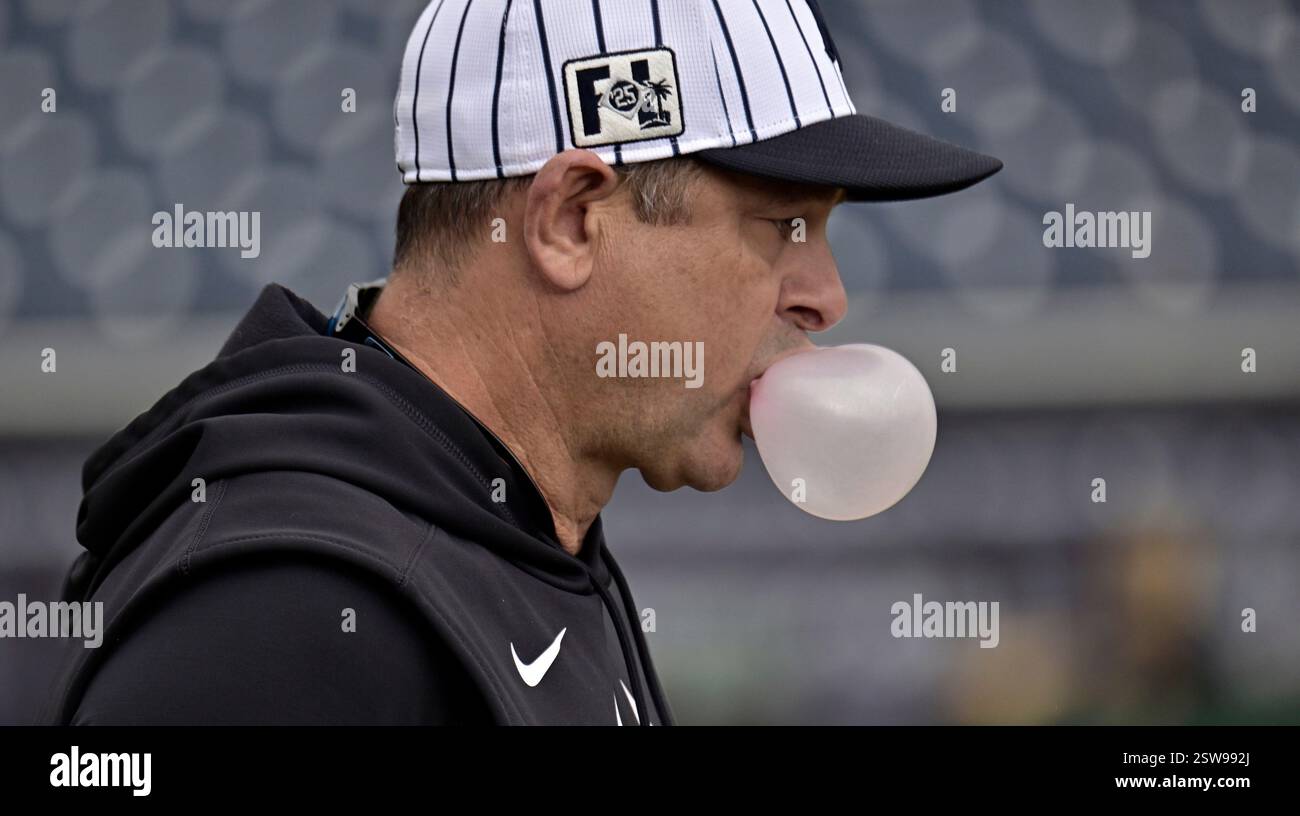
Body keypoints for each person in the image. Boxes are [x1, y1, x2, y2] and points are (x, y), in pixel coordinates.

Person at [46, 0, 1000, 725]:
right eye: (784, 225)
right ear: (570, 219)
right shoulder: (290, 617)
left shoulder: (512, 529)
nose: (825, 296)